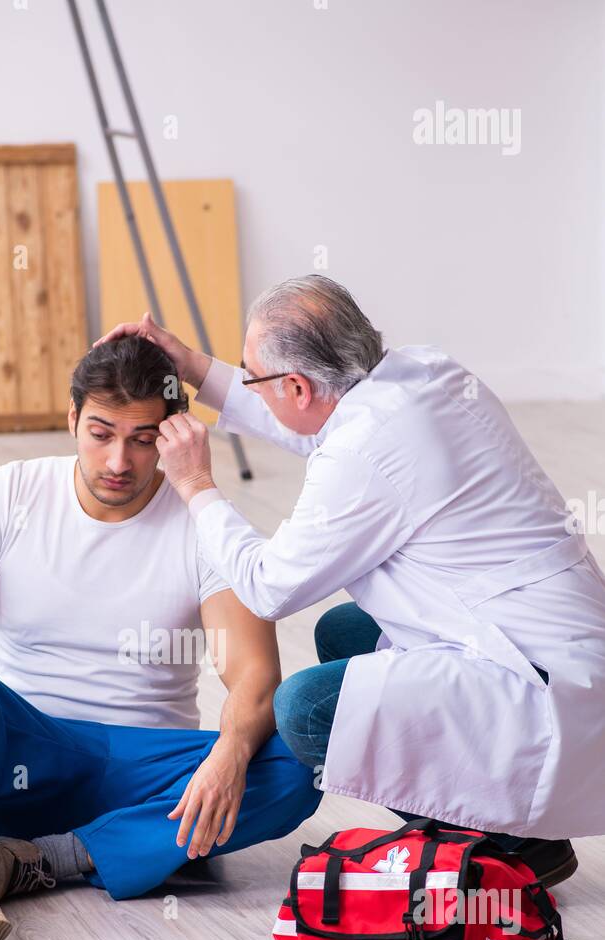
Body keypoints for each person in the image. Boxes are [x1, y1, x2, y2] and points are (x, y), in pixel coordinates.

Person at [96, 275, 605, 886]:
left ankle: (505, 847)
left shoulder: (363, 453)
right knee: (347, 631)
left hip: (538, 680)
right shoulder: (420, 374)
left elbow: (267, 589)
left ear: (297, 385)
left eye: (252, 375)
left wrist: (196, 484)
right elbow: (310, 420)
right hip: (550, 633)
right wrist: (195, 367)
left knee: (306, 709)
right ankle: (491, 834)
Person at [0, 335, 317, 940]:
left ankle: (39, 861)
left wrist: (231, 756)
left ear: (174, 433)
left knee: (304, 755)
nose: (119, 460)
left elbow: (256, 680)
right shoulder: (11, 493)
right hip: (22, 753)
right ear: (72, 420)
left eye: (142, 438)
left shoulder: (207, 524)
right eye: (101, 433)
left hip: (142, 771)